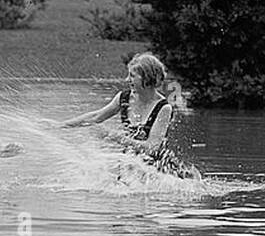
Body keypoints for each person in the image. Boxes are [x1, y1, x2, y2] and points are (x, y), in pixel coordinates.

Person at [58, 52, 199, 180]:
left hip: (158, 172)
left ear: (147, 77)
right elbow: (95, 117)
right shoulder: (123, 98)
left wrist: (115, 137)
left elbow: (152, 147)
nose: (127, 79)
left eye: (132, 76)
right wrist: (62, 126)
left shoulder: (164, 108)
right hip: (130, 164)